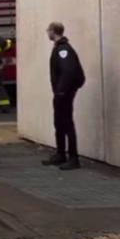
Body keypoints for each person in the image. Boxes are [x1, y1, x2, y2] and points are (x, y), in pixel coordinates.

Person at [43, 21, 84, 170]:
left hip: (64, 93)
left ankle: (73, 158)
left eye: (48, 30)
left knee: (66, 123)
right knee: (58, 123)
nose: (47, 33)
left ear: (53, 31)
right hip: (61, 92)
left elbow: (68, 71)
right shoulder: (60, 48)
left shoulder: (63, 50)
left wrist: (61, 91)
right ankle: (60, 154)